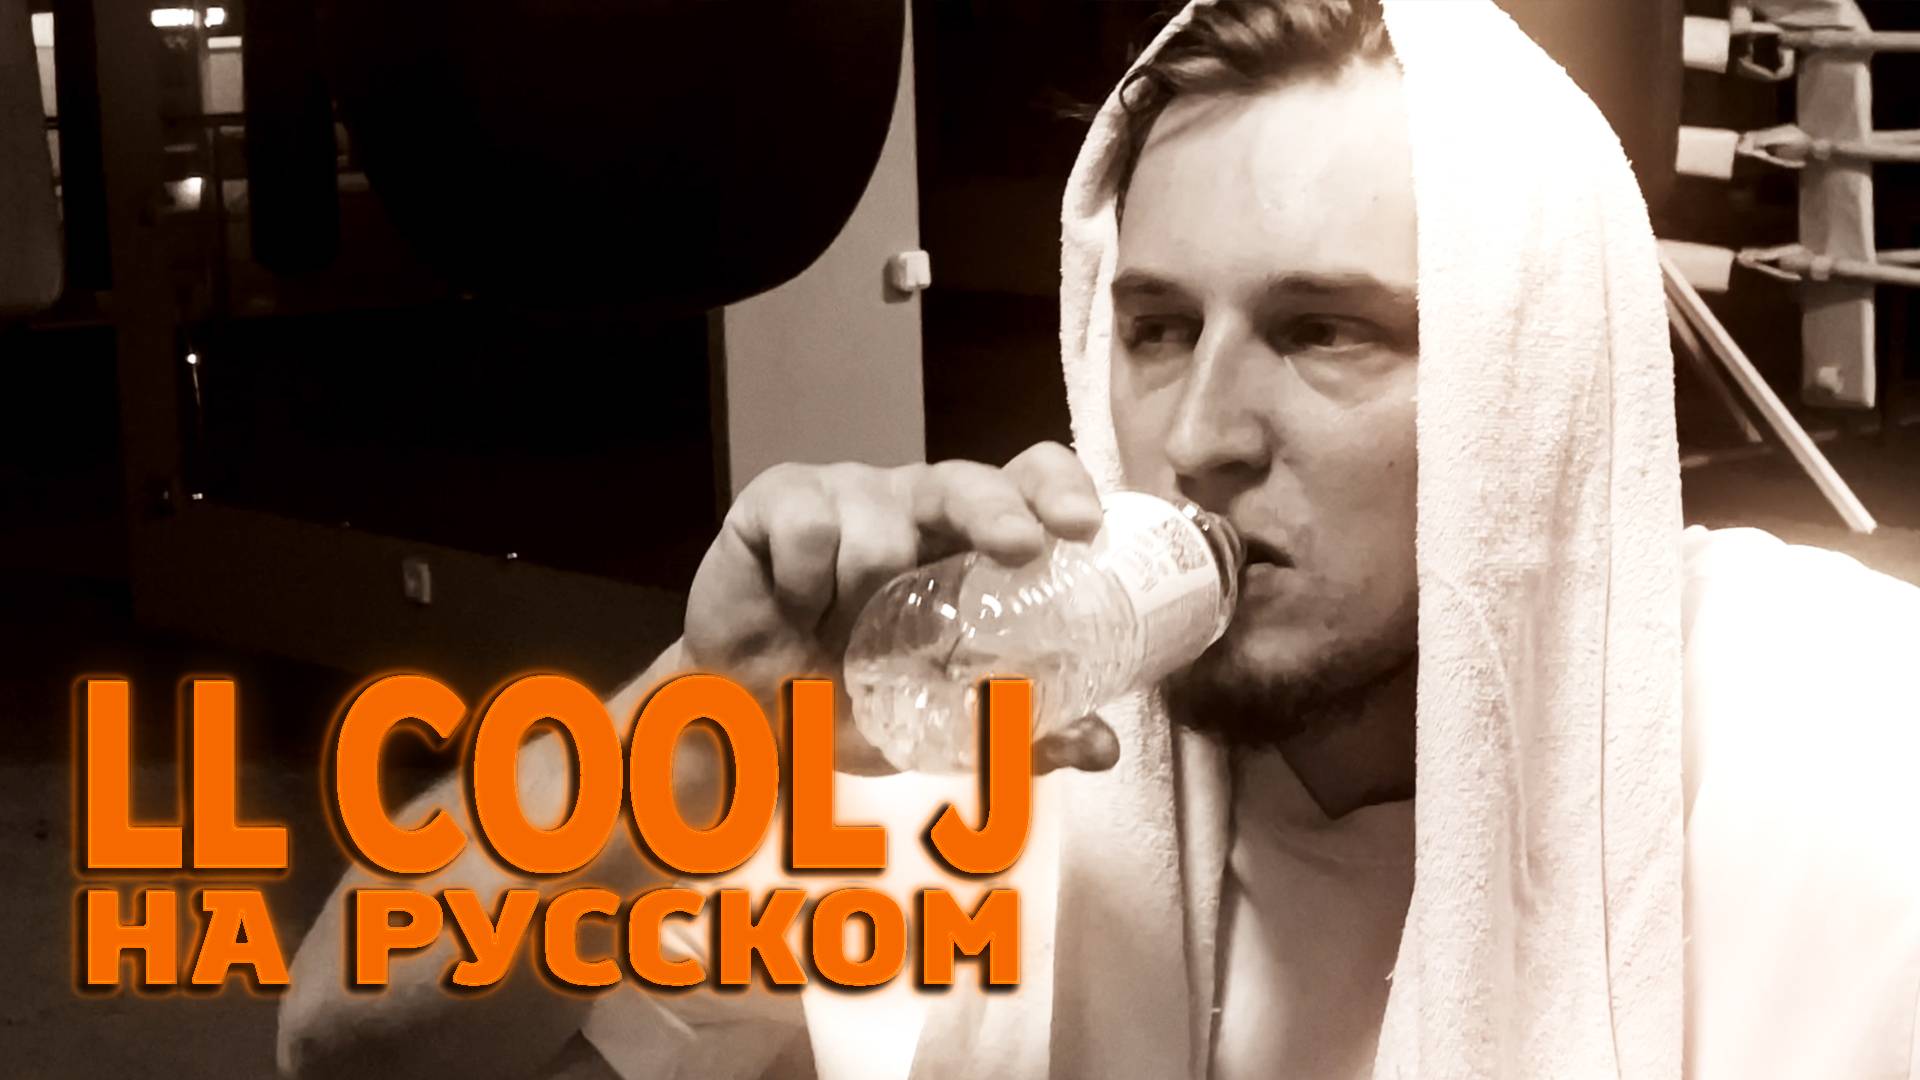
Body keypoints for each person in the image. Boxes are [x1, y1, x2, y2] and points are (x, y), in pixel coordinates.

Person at [278, 1, 1920, 1078]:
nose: (1201, 432)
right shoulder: (1005, 750)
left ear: (1533, 382)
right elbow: (349, 1036)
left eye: (1326, 330)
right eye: (1156, 328)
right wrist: (706, 722)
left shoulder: (1840, 740)